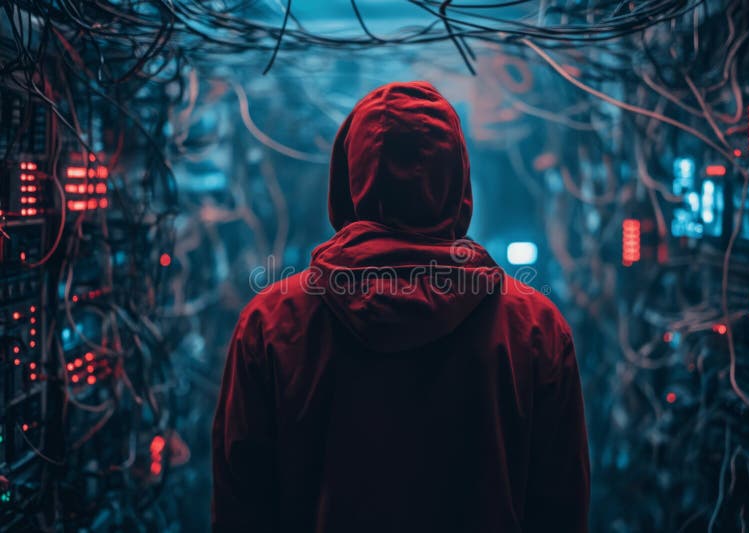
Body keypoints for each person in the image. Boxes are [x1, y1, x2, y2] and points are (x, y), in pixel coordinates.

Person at [212, 81, 590, 532]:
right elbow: (560, 508)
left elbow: (242, 507)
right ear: (457, 180)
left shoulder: (271, 321)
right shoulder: (534, 326)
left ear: (346, 178)